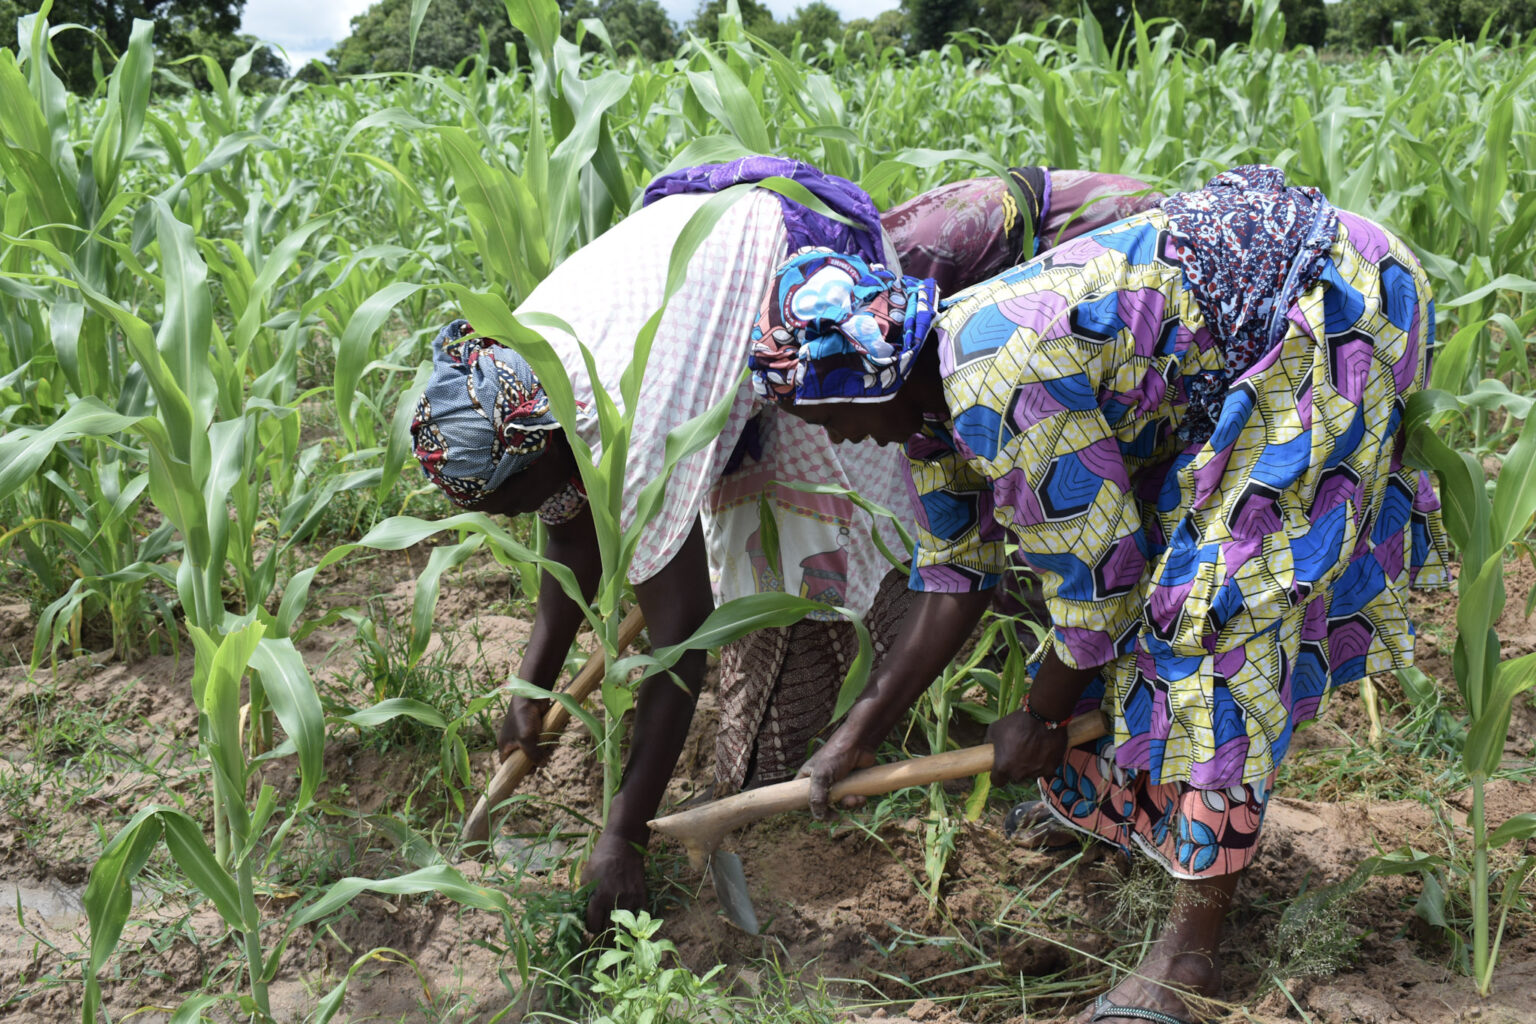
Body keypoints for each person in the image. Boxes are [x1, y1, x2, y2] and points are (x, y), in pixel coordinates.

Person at [746, 165, 1449, 1024]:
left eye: (829, 415)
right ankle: (1123, 809)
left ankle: (1187, 957)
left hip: (1333, 310)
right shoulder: (930, 413)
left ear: (872, 385)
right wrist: (857, 733)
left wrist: (1038, 719)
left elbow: (1099, 594)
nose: (838, 434)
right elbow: (952, 574)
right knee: (1154, 581)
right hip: (1243, 338)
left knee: (1211, 619)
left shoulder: (998, 382)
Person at [409, 155, 1161, 934]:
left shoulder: (639, 417)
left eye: (512, 502)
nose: (515, 518)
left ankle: (1102, 762)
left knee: (1001, 523)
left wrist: (621, 833)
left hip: (788, 278)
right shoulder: (513, 375)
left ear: (546, 446)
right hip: (732, 287)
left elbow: (682, 643)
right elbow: (567, 520)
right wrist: (534, 686)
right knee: (982, 519)